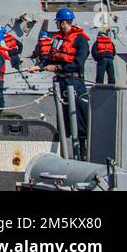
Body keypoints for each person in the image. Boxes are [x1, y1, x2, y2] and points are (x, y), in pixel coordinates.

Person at [41, 8, 90, 151]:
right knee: (64, 118)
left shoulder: (80, 40)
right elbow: (50, 57)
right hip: (61, 83)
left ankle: (82, 149)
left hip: (74, 83)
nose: (57, 25)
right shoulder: (57, 40)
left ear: (64, 23)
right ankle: (64, 150)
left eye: (59, 22)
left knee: (79, 116)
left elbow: (78, 63)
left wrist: (57, 68)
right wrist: (40, 66)